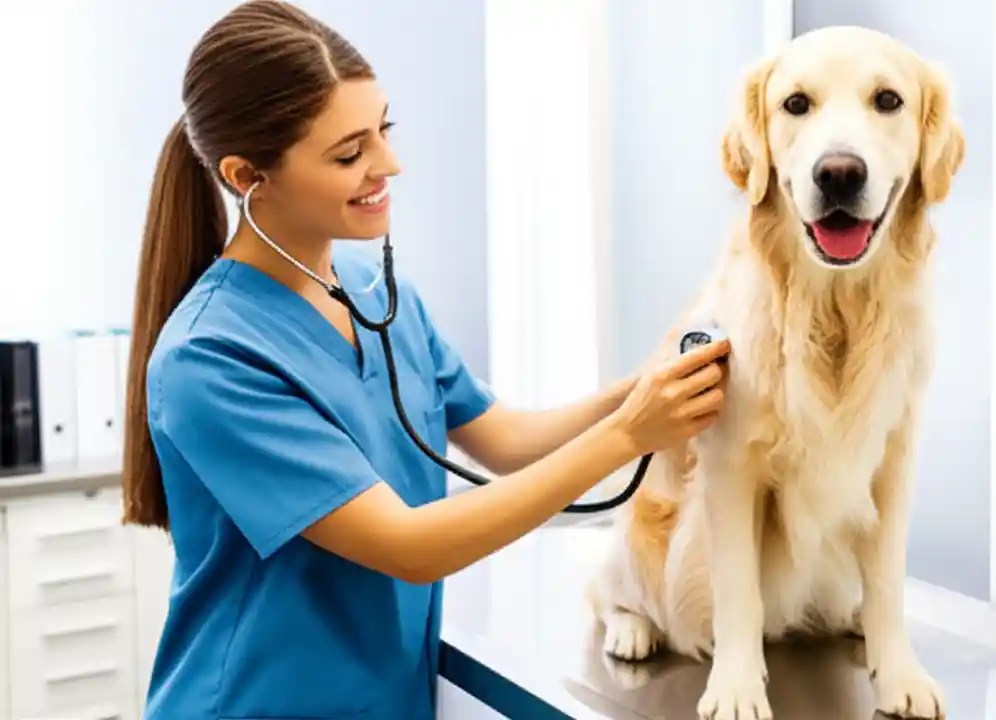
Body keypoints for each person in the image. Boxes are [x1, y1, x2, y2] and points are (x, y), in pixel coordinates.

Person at [119, 2, 730, 718]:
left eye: (384, 130)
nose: (389, 165)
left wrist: (652, 388)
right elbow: (410, 547)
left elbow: (509, 443)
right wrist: (631, 434)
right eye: (349, 154)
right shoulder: (211, 360)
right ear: (249, 177)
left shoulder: (384, 298)